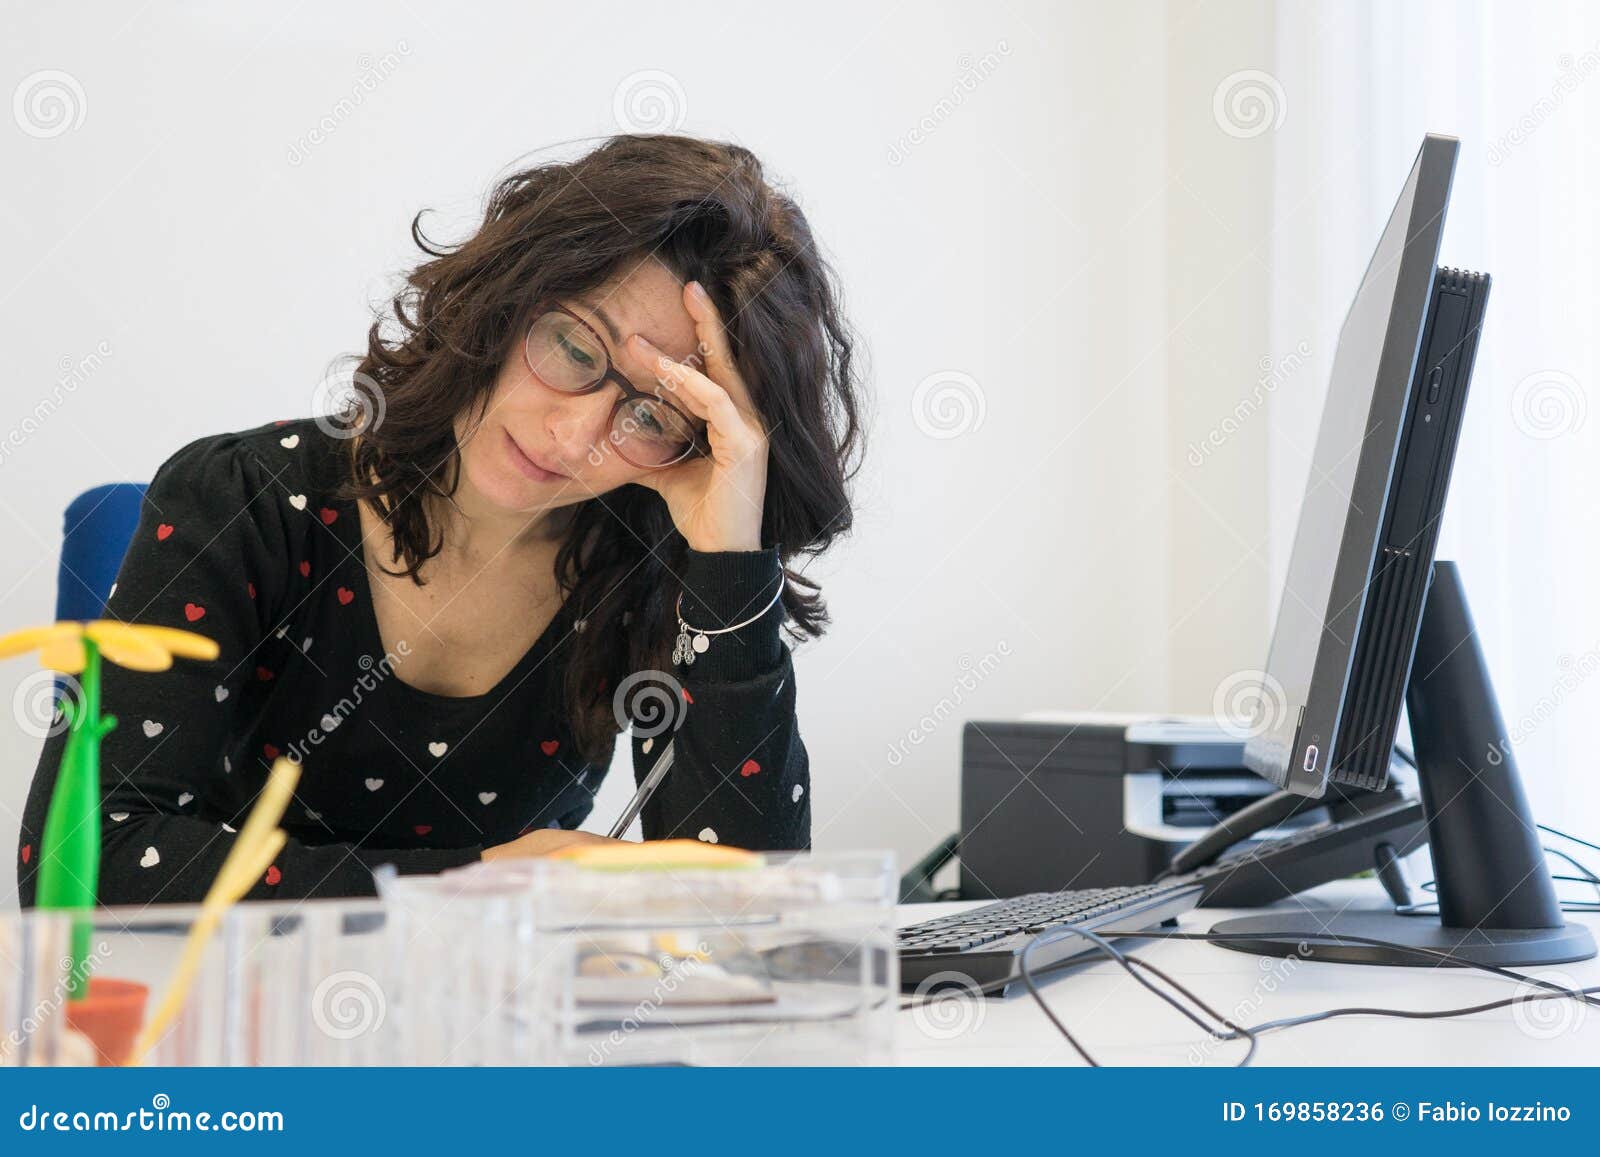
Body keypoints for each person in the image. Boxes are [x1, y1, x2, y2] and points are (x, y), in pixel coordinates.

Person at [17, 134, 863, 905]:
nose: (573, 437)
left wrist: (728, 557)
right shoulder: (244, 497)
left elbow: (744, 912)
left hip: (495, 1043)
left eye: (653, 415)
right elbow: (86, 871)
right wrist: (482, 885)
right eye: (573, 348)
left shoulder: (651, 563)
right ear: (504, 301)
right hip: (226, 1034)